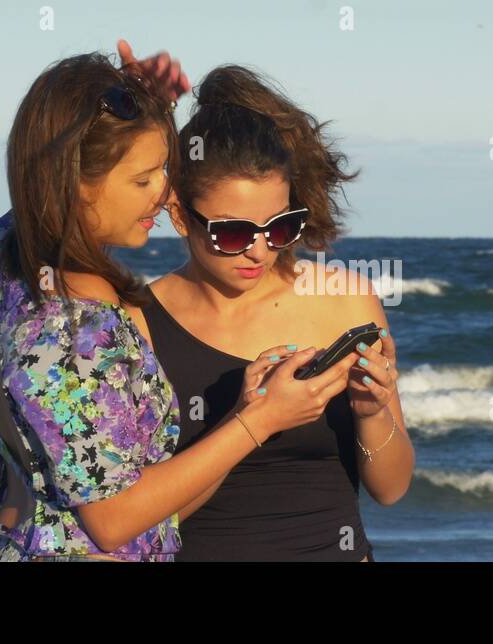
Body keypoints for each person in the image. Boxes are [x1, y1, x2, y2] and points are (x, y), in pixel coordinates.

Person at [0, 50, 357, 561]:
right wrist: (260, 422)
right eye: (143, 178)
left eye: (162, 169)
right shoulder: (74, 326)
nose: (164, 194)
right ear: (75, 185)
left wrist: (140, 110)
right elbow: (114, 520)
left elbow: (42, 177)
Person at [129, 64, 415, 561]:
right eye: (234, 234)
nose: (259, 251)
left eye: (280, 227)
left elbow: (391, 489)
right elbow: (134, 517)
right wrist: (252, 420)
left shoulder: (343, 299)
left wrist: (372, 414)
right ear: (178, 215)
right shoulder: (139, 323)